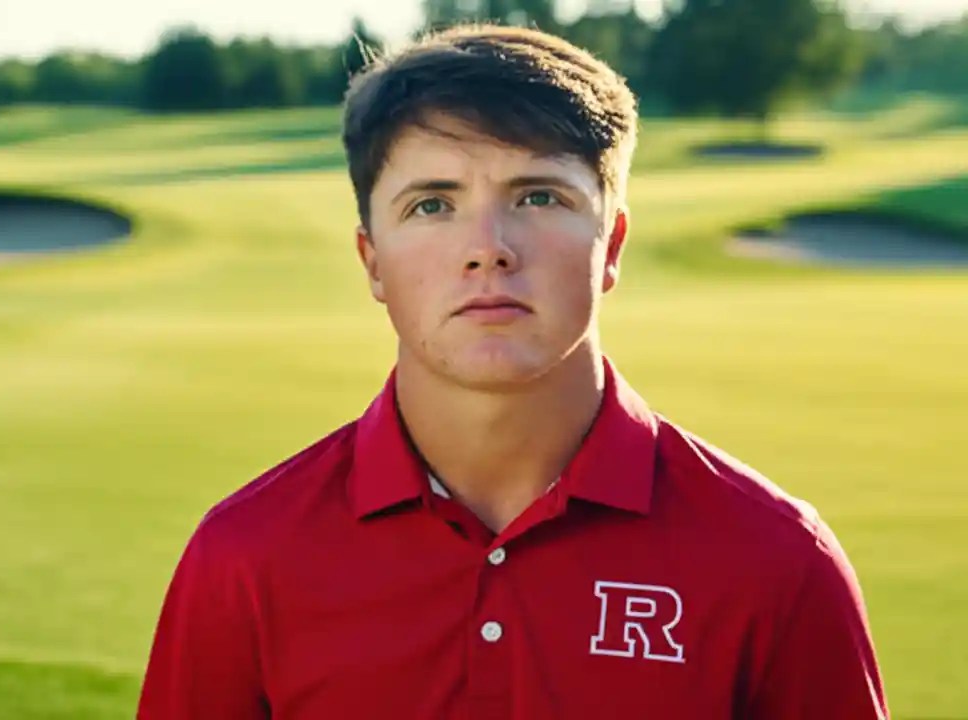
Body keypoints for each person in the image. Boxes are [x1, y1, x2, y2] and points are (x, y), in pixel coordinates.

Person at [137, 23, 887, 720]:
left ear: (613, 244)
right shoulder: (243, 556)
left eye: (537, 196)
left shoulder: (778, 559)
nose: (488, 248)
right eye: (433, 205)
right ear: (372, 262)